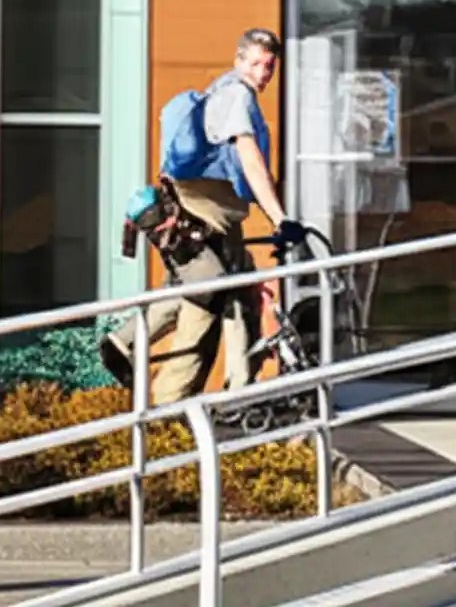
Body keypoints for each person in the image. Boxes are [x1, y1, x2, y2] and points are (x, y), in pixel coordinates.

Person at [101, 27, 305, 405]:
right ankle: (168, 407)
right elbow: (250, 160)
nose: (264, 72)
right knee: (206, 303)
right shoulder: (237, 95)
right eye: (257, 63)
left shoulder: (222, 92)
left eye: (270, 65)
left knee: (234, 290)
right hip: (205, 213)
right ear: (239, 60)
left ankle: (129, 343)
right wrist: (280, 219)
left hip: (207, 212)